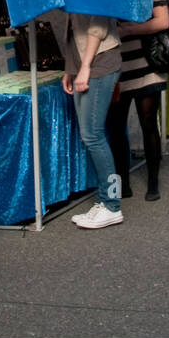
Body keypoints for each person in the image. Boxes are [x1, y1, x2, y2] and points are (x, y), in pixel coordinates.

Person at [106, 0, 169, 201]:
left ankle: (153, 183)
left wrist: (131, 30)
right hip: (116, 63)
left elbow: (163, 21)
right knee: (116, 126)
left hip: (147, 61)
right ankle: (122, 183)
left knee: (148, 123)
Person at [64, 12, 124, 229]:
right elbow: (73, 28)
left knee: (93, 135)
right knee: (90, 135)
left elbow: (99, 25)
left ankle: (112, 205)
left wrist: (85, 67)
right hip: (87, 62)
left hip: (100, 61)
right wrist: (72, 69)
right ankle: (105, 201)